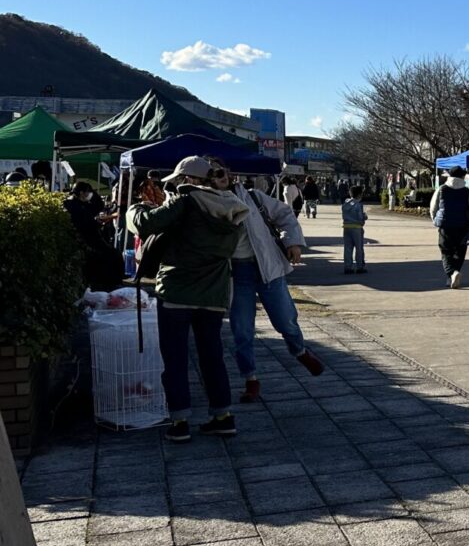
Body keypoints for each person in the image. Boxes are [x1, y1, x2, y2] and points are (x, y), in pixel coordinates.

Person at [127, 155, 248, 441]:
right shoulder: (233, 207)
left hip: (177, 292)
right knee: (213, 357)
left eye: (180, 180)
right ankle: (223, 416)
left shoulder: (184, 202)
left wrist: (134, 209)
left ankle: (179, 422)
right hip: (214, 294)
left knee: (176, 359)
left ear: (189, 180)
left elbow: (145, 224)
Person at [218, 162, 326, 403]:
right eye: (213, 172)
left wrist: (293, 242)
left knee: (285, 319)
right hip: (236, 272)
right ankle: (251, 379)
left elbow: (285, 215)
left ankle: (299, 350)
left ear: (232, 173)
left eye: (223, 170)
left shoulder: (254, 197)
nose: (220, 176)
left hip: (267, 266)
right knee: (242, 329)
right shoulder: (206, 203)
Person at [64, 181, 122, 290]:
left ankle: (110, 282)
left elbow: (96, 207)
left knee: (112, 254)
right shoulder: (75, 206)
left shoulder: (79, 204)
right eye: (89, 192)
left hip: (90, 239)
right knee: (112, 255)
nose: (90, 194)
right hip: (86, 241)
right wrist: (99, 223)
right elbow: (85, 225)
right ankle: (109, 283)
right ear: (81, 193)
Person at [429, 165, 469, 288]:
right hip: (462, 225)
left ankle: (451, 274)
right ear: (462, 176)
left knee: (446, 251)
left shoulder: (442, 189)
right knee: (460, 250)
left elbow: (433, 207)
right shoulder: (466, 191)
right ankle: (456, 271)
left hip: (445, 225)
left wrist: (436, 221)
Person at [342, 185, 369, 274]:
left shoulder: (345, 203)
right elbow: (360, 218)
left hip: (346, 227)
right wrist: (364, 217)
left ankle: (347, 267)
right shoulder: (358, 205)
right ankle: (360, 266)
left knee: (347, 248)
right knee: (359, 248)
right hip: (357, 228)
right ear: (359, 195)